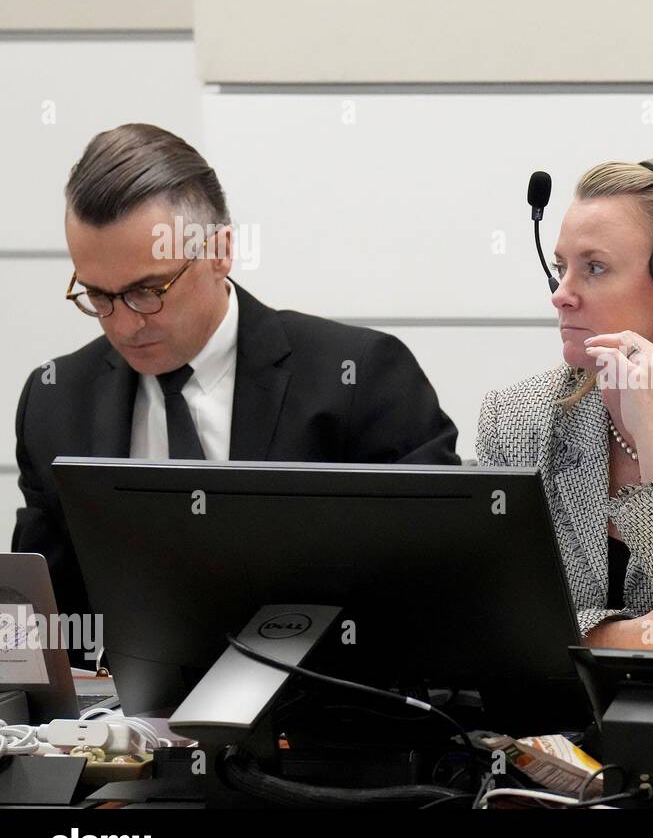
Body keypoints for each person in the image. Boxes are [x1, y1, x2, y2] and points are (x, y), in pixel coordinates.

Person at [13, 123, 460, 627]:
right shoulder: (55, 403)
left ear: (220, 251)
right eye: (98, 296)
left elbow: (442, 587)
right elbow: (46, 627)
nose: (125, 323)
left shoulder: (358, 378)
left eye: (149, 290)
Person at [476, 160, 653, 646]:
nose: (561, 295)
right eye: (560, 268)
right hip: (546, 720)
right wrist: (632, 637)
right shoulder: (518, 419)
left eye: (594, 268)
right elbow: (493, 623)